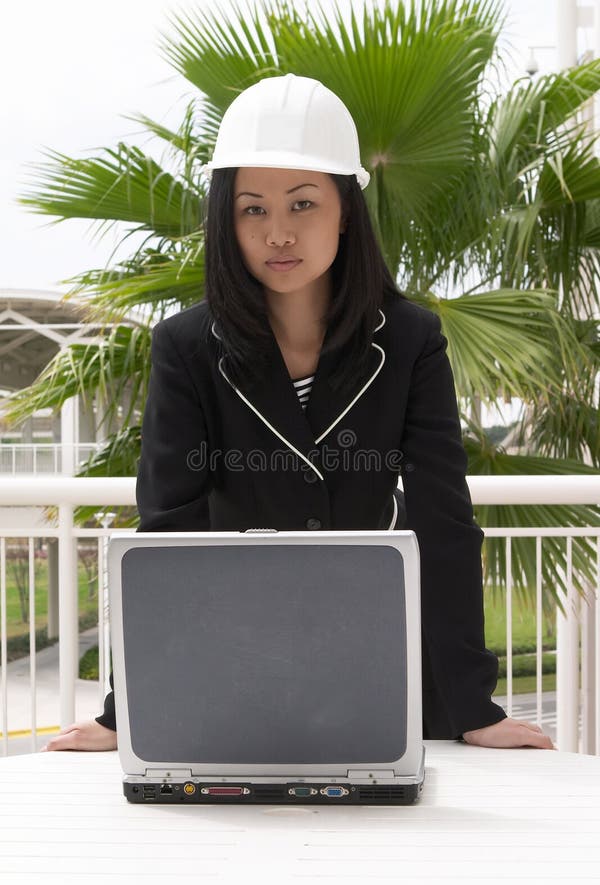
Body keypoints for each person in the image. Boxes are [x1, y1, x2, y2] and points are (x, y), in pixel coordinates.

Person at [41, 73, 553, 753]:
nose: (277, 233)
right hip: (235, 657)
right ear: (228, 218)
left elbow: (444, 521)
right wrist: (126, 708)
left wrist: (472, 706)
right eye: (253, 209)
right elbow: (168, 534)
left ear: (345, 210)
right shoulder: (188, 347)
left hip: (381, 652)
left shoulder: (410, 340)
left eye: (303, 204)